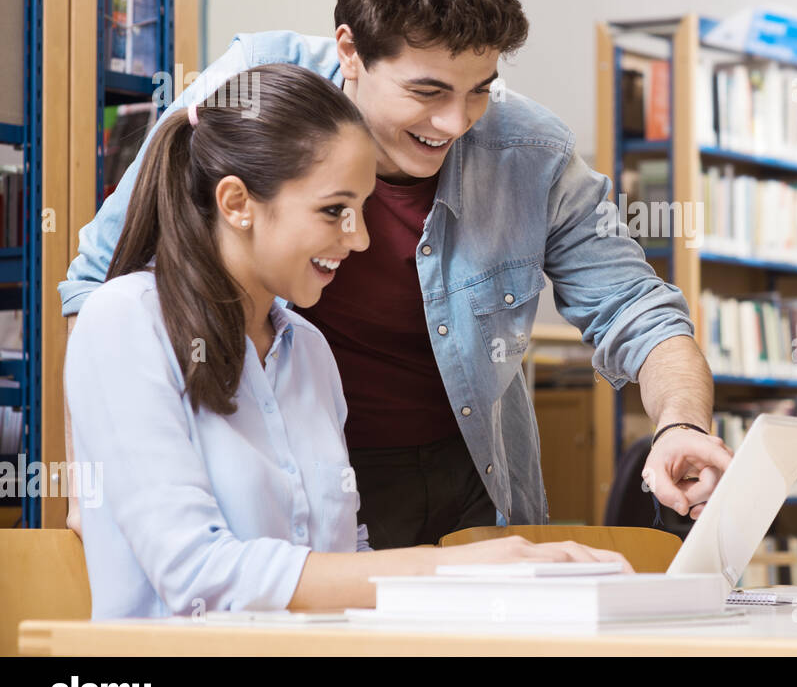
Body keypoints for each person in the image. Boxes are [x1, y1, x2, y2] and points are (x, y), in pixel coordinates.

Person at [61, 0, 731, 549]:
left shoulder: (531, 152)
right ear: (350, 50)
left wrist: (679, 423)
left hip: (473, 471)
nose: (456, 122)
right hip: (305, 472)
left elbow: (639, 310)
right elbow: (99, 280)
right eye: (429, 92)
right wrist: (94, 485)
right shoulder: (257, 91)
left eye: (479, 89)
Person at [66, 64, 633, 619]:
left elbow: (346, 564)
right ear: (237, 203)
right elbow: (198, 573)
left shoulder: (309, 352)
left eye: (361, 210)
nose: (358, 239)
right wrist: (462, 568)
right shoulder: (125, 322)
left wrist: (491, 593)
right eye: (334, 210)